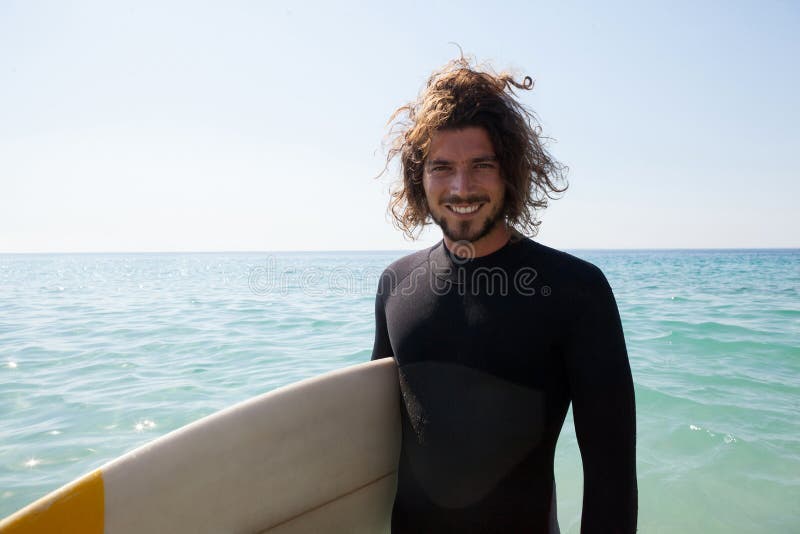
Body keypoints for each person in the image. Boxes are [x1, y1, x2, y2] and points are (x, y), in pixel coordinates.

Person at [371, 56, 637, 533]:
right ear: (419, 177)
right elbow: (374, 441)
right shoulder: (395, 285)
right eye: (442, 167)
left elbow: (611, 477)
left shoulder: (576, 292)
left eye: (481, 165)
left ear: (510, 171)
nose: (461, 186)